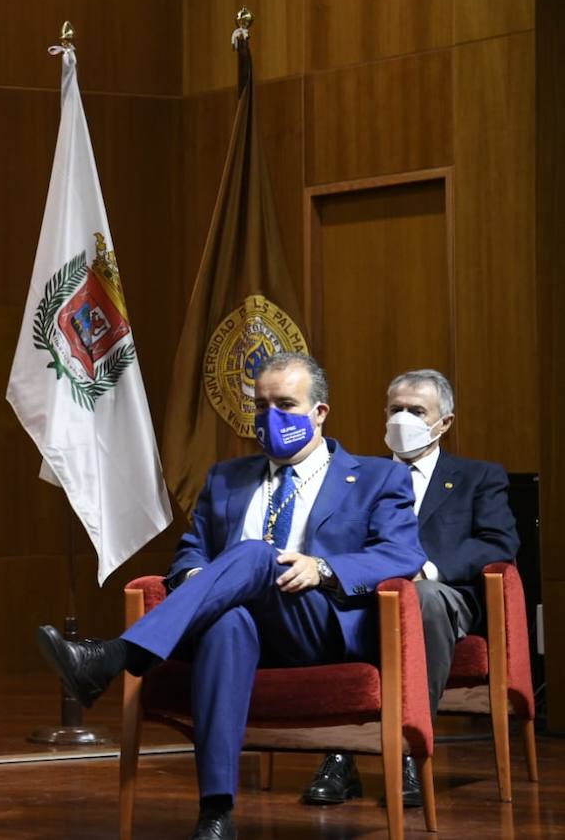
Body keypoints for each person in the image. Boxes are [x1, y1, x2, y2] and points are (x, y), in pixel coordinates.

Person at [36, 351, 426, 840]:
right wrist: (197, 573)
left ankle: (116, 655)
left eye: (285, 403)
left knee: (257, 555)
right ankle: (216, 813)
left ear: (319, 412)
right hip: (237, 622)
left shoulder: (376, 477)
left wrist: (323, 567)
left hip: (316, 626)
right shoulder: (226, 477)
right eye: (261, 405)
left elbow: (401, 554)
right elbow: (189, 553)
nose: (270, 417)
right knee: (226, 623)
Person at [301, 368, 520, 808]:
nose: (404, 419)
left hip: (442, 594)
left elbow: (500, 543)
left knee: (421, 600)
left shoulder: (479, 477)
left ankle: (407, 750)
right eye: (396, 409)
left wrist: (431, 569)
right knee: (322, 596)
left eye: (417, 411)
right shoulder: (359, 476)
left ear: (446, 422)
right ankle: (339, 756)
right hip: (368, 591)